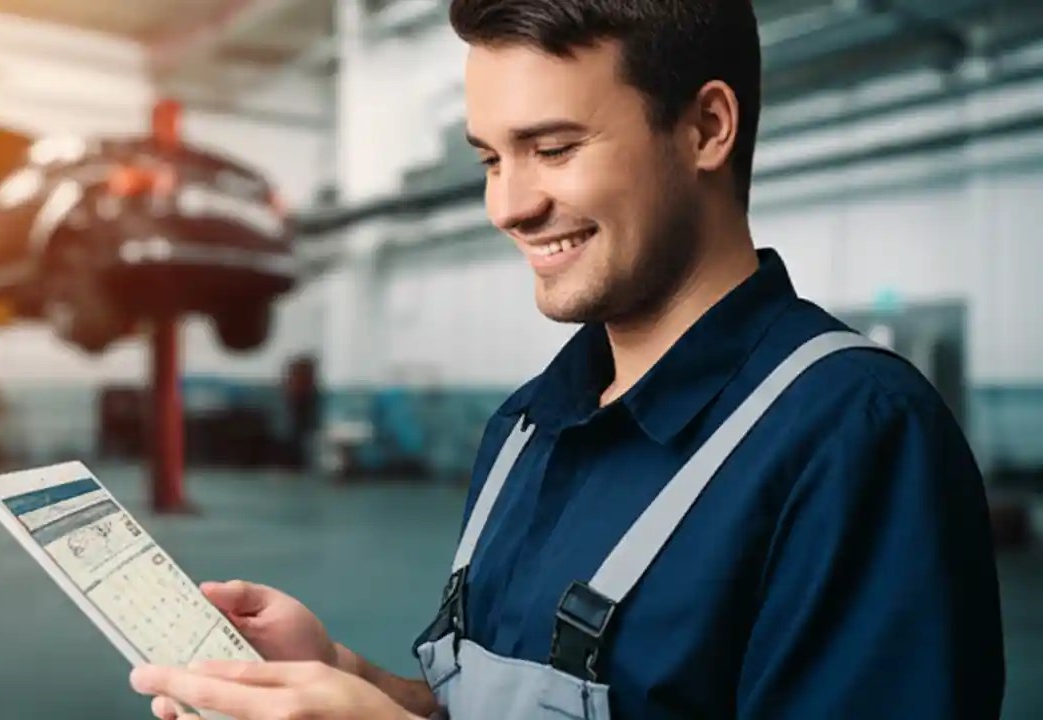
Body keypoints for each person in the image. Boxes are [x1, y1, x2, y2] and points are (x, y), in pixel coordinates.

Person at [129, 1, 1006, 717]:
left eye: (552, 149)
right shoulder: (525, 429)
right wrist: (346, 676)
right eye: (490, 158)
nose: (508, 205)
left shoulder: (854, 438)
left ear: (706, 128)